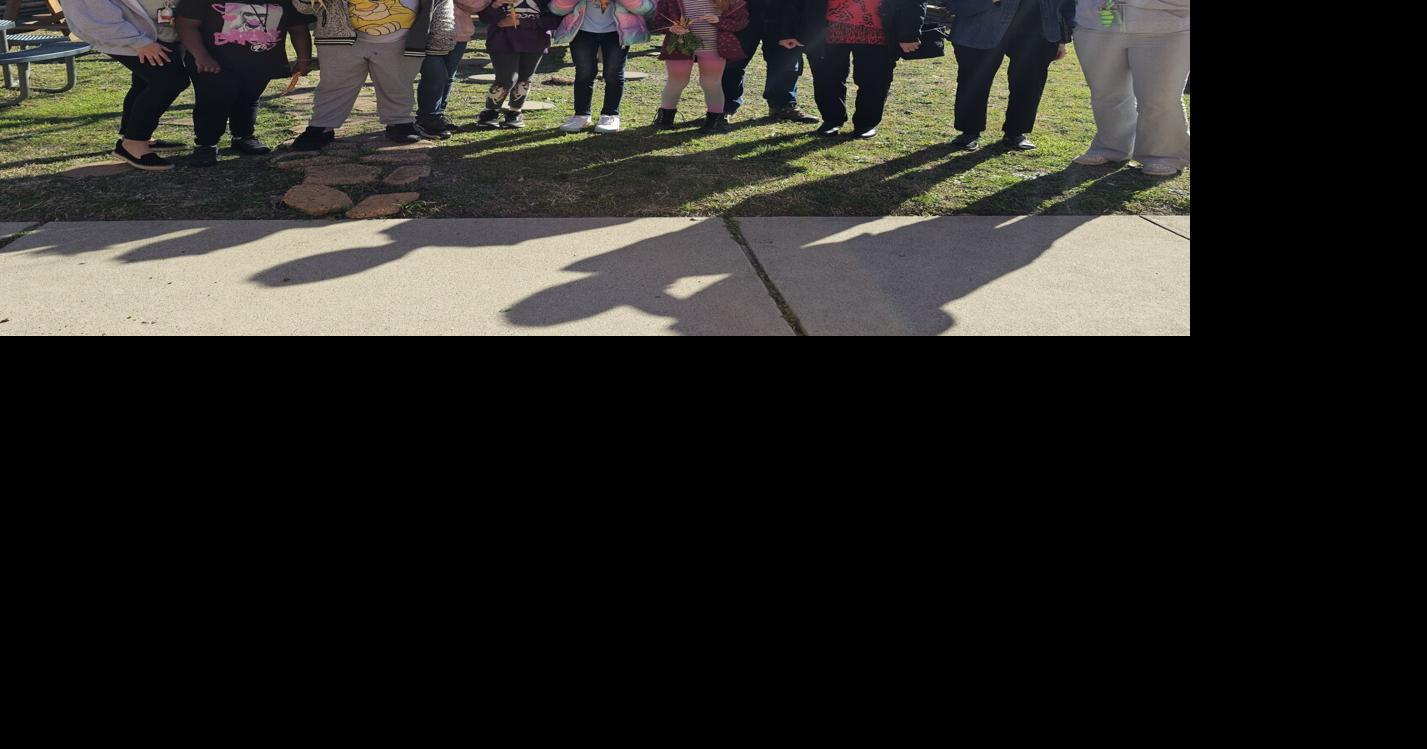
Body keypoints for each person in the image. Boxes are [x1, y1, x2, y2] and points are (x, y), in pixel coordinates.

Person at [290, 0, 456, 151]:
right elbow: (304, 7)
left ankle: (399, 121)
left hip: (402, 38)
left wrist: (441, 36)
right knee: (334, 84)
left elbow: (440, 3)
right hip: (340, 35)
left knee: (397, 82)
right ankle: (321, 126)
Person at [176, 0, 314, 166]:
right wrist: (201, 55)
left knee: (248, 98)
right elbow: (186, 25)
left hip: (261, 63)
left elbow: (298, 28)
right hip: (214, 63)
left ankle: (243, 136)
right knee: (213, 101)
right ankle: (206, 144)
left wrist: (304, 59)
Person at [66, 0, 194, 171]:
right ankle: (134, 142)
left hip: (154, 32)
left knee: (146, 81)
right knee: (170, 80)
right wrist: (139, 42)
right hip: (130, 36)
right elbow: (92, 16)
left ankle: (134, 136)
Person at [1072, 0, 1189, 176]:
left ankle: (1163, 156)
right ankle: (1110, 147)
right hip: (1096, 23)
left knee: (1160, 98)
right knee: (1106, 94)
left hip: (1167, 26)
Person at [779, 0, 926, 139]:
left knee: (874, 80)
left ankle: (866, 123)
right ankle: (832, 120)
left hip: (878, 30)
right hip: (827, 29)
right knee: (827, 78)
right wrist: (788, 31)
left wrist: (909, 33)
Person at [945, 0, 1076, 151]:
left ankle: (1016, 132)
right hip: (982, 25)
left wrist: (1062, 39)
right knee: (974, 80)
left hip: (1037, 28)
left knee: (1029, 83)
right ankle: (969, 131)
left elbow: (1066, 4)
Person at [550, 0, 655, 135]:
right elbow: (557, 9)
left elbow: (646, 8)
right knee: (584, 73)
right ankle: (581, 115)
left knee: (613, 73)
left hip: (617, 31)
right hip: (581, 30)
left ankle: (610, 115)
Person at [651, 0, 749, 134]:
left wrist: (719, 20)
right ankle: (665, 119)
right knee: (676, 81)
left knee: (711, 83)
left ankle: (714, 121)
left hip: (713, 46)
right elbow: (659, 21)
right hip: (679, 44)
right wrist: (671, 28)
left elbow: (740, 22)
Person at [721, 0, 817, 123]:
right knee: (734, 61)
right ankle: (725, 106)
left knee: (785, 62)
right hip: (745, 12)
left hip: (783, 14)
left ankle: (783, 106)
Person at [473, 0, 561, 129]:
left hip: (535, 41)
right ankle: (490, 111)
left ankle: (515, 112)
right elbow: (485, 17)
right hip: (502, 40)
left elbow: (555, 19)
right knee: (506, 79)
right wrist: (496, 5)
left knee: (524, 79)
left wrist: (521, 21)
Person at [416, 0, 485, 138]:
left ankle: (438, 115)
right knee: (435, 76)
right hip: (427, 32)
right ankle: (428, 118)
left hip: (458, 34)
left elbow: (479, 5)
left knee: (448, 77)